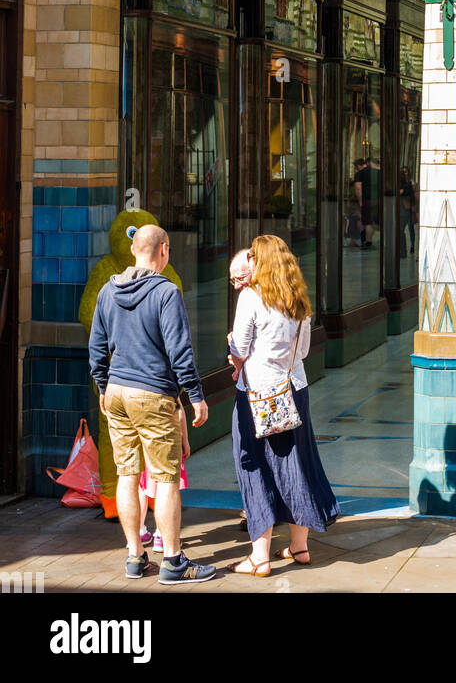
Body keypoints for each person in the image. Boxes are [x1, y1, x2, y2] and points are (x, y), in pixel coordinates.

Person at [88, 223, 215, 584]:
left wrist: (102, 387)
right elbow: (180, 350)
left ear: (133, 251)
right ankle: (173, 561)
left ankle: (135, 557)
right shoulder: (166, 292)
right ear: (164, 250)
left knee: (128, 475)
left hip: (116, 393)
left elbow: (97, 349)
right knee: (165, 478)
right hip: (152, 393)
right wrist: (195, 397)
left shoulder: (107, 292)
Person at [228, 234, 339, 575]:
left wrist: (233, 351)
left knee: (254, 467)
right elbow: (303, 352)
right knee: (297, 463)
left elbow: (241, 348)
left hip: (258, 395)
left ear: (261, 263)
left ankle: (259, 557)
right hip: (295, 391)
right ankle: (299, 546)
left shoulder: (250, 297)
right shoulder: (298, 301)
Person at [139, 401, 188, 552]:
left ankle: (139, 532)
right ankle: (162, 535)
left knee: (142, 485)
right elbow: (178, 412)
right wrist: (184, 440)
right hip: (165, 436)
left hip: (141, 437)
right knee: (167, 485)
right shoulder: (166, 379)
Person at [399, 166, 417, 259]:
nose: (404, 174)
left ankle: (410, 247)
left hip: (406, 208)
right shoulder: (405, 184)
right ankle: (405, 250)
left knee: (409, 228)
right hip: (406, 208)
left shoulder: (409, 183)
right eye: (403, 172)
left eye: (405, 172)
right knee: (406, 229)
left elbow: (411, 196)